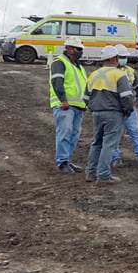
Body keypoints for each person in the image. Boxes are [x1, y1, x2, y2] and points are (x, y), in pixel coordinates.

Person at [84, 45, 135, 183]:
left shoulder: (93, 75)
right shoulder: (119, 75)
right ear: (114, 58)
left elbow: (86, 97)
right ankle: (104, 175)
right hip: (113, 113)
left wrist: (93, 108)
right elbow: (126, 96)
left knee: (97, 143)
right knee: (109, 144)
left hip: (96, 113)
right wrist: (127, 111)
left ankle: (91, 172)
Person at [50, 36, 88, 174]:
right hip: (65, 105)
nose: (80, 51)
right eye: (78, 49)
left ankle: (67, 160)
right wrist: (63, 100)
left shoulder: (79, 66)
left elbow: (84, 86)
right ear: (70, 49)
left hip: (77, 105)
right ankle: (62, 162)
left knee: (74, 134)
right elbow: (57, 81)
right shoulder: (60, 62)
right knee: (64, 132)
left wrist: (85, 103)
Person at [109, 44, 138, 167]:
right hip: (115, 108)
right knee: (114, 133)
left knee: (135, 131)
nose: (123, 59)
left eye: (125, 57)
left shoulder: (130, 71)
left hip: (130, 107)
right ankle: (116, 157)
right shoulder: (109, 71)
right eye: (121, 57)